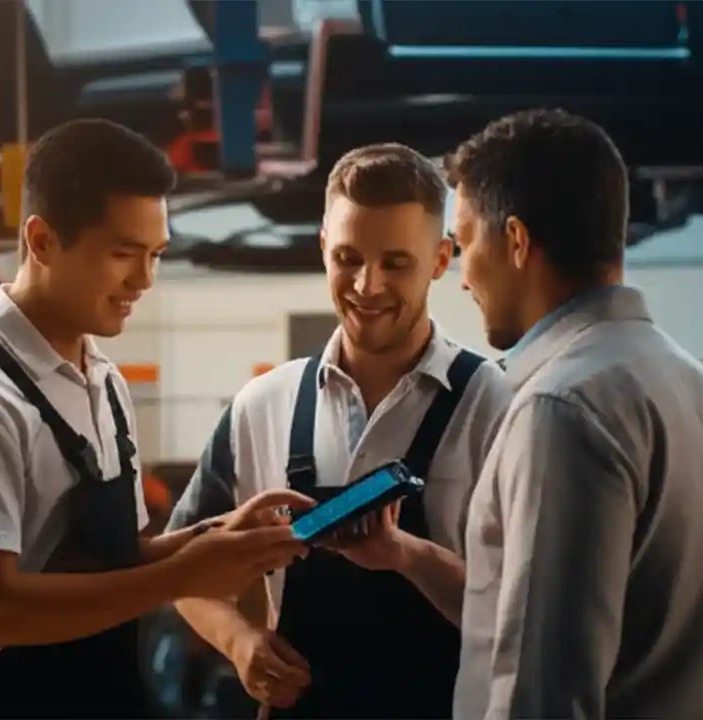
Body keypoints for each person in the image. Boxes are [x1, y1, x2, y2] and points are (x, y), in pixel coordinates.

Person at [0, 118, 310, 720]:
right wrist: (181, 577)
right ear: (40, 241)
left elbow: (115, 560)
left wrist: (213, 538)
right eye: (123, 254)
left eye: (156, 256)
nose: (144, 280)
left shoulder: (105, 380)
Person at [166, 143, 513, 718]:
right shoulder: (262, 406)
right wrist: (240, 642)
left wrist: (406, 555)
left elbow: (526, 612)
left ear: (441, 259)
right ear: (323, 247)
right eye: (348, 258)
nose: (367, 286)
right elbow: (182, 569)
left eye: (395, 263)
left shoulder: (496, 406)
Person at [438, 108, 703, 718]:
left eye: (463, 243)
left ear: (514, 241)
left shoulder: (561, 411)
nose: (461, 276)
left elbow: (544, 691)